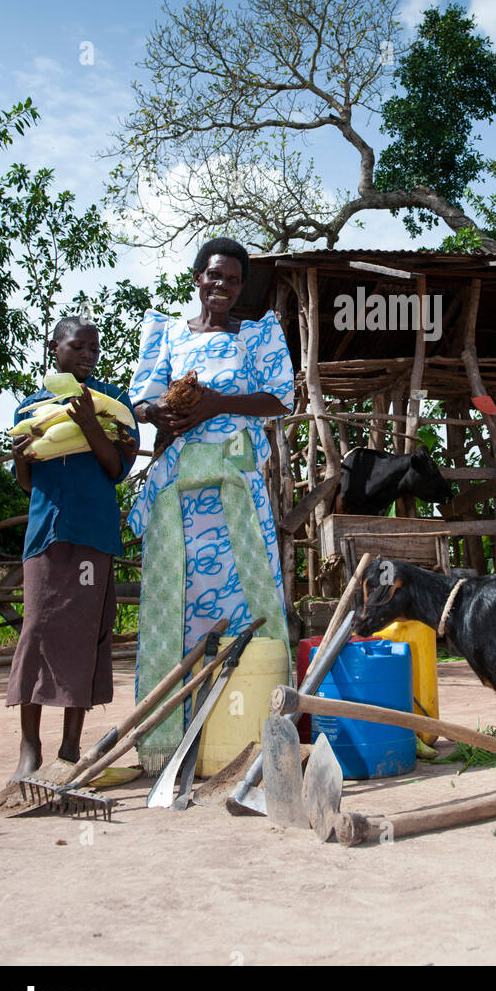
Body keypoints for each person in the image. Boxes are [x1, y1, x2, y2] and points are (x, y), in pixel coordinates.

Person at [128, 237, 293, 774]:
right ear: (197, 277)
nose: (220, 285)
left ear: (240, 287)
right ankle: (170, 739)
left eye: (232, 279)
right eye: (212, 275)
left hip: (235, 492)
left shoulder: (256, 336)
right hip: (180, 494)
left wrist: (220, 404)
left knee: (249, 596)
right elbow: (140, 401)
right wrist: (163, 413)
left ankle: (251, 730)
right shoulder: (168, 333)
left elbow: (279, 400)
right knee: (176, 598)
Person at [7, 317, 138, 781]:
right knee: (37, 629)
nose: (87, 355)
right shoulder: (32, 407)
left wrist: (88, 423)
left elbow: (115, 469)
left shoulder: (113, 403)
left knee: (85, 633)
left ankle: (69, 746)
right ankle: (29, 747)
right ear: (54, 348)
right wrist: (23, 456)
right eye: (77, 346)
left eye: (93, 348)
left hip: (92, 535)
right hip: (46, 534)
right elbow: (27, 483)